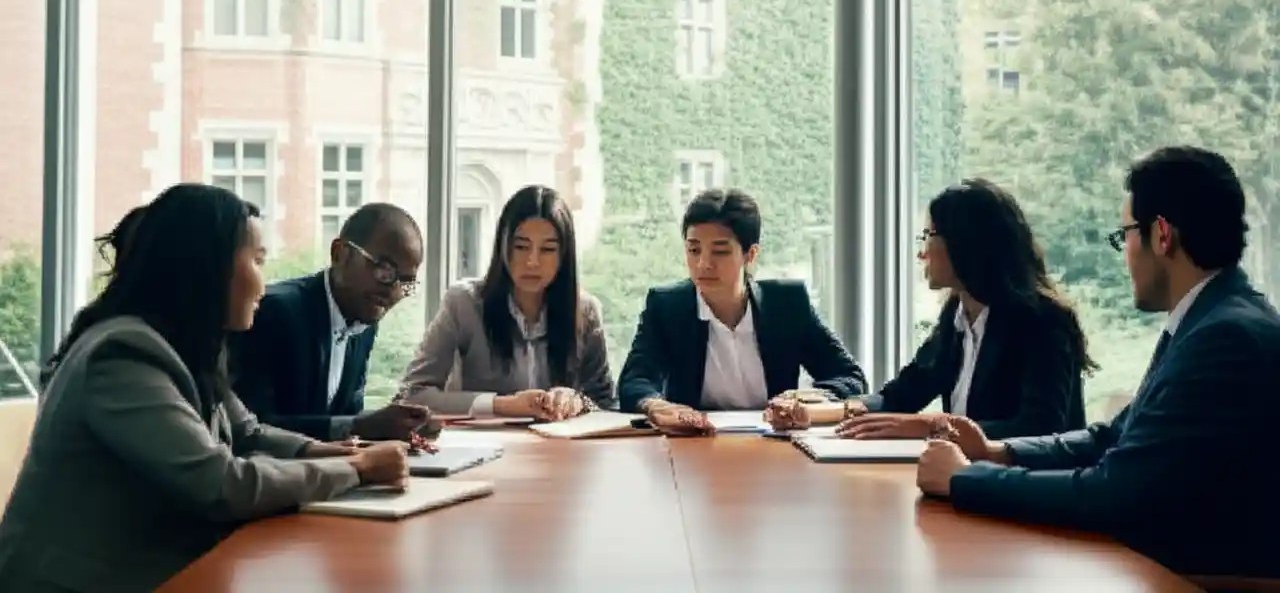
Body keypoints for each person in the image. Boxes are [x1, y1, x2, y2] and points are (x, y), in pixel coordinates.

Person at [0, 184, 408, 592]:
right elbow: (222, 484)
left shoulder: (191, 347)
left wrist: (333, 451)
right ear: (209, 267)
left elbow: (248, 434)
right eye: (258, 261)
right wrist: (357, 469)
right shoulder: (123, 355)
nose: (264, 287)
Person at [916, 146, 1280, 579]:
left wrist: (963, 480)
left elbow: (1114, 491)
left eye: (1124, 234)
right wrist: (998, 452)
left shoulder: (1224, 338)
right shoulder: (1214, 319)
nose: (1124, 252)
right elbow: (1113, 435)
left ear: (1162, 235)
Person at [766, 179, 1095, 440]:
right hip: (977, 483)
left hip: (1030, 497)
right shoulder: (958, 318)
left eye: (928, 236)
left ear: (965, 242)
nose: (921, 254)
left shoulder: (1043, 323)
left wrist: (930, 427)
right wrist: (814, 413)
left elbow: (1039, 429)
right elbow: (899, 397)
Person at [617, 188, 866, 435]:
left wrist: (809, 399)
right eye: (694, 250)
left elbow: (850, 377)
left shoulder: (787, 304)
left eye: (720, 251)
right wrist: (657, 406)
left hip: (774, 444)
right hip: (695, 443)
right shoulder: (667, 307)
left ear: (750, 254)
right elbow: (634, 382)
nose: (704, 263)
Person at [397, 185, 615, 419]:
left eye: (548, 249)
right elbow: (412, 395)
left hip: (559, 450)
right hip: (483, 447)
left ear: (564, 256)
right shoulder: (464, 304)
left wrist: (575, 400)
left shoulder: (584, 310)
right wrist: (501, 405)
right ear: (503, 245)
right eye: (521, 246)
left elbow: (606, 404)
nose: (532, 261)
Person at [229, 203, 431, 442]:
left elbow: (344, 416)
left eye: (406, 282)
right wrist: (360, 426)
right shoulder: (274, 312)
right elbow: (252, 427)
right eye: (384, 270)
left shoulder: (364, 318)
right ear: (339, 254)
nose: (393, 291)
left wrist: (398, 425)